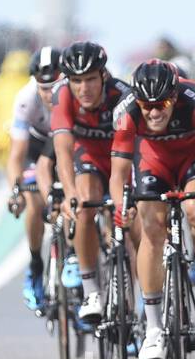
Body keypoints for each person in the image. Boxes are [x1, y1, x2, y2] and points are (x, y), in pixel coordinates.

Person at [110, 60, 195, 359]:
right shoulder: (126, 111)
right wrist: (121, 208)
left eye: (162, 104)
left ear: (175, 96)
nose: (154, 112)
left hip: (194, 159)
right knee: (151, 229)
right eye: (147, 106)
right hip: (152, 163)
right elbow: (118, 173)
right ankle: (153, 328)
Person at [49, 41, 133, 326]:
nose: (83, 88)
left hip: (123, 160)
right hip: (88, 158)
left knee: (135, 224)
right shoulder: (61, 95)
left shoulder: (123, 96)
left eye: (90, 80)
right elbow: (62, 149)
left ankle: (139, 301)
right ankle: (91, 291)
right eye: (76, 81)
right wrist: (69, 193)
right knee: (84, 206)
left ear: (103, 76)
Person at [6, 46, 61, 316]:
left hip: (66, 147)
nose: (50, 94)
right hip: (37, 149)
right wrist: (15, 192)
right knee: (35, 200)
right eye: (44, 87)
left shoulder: (76, 94)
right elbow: (16, 154)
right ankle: (36, 264)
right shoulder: (26, 99)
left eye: (55, 86)